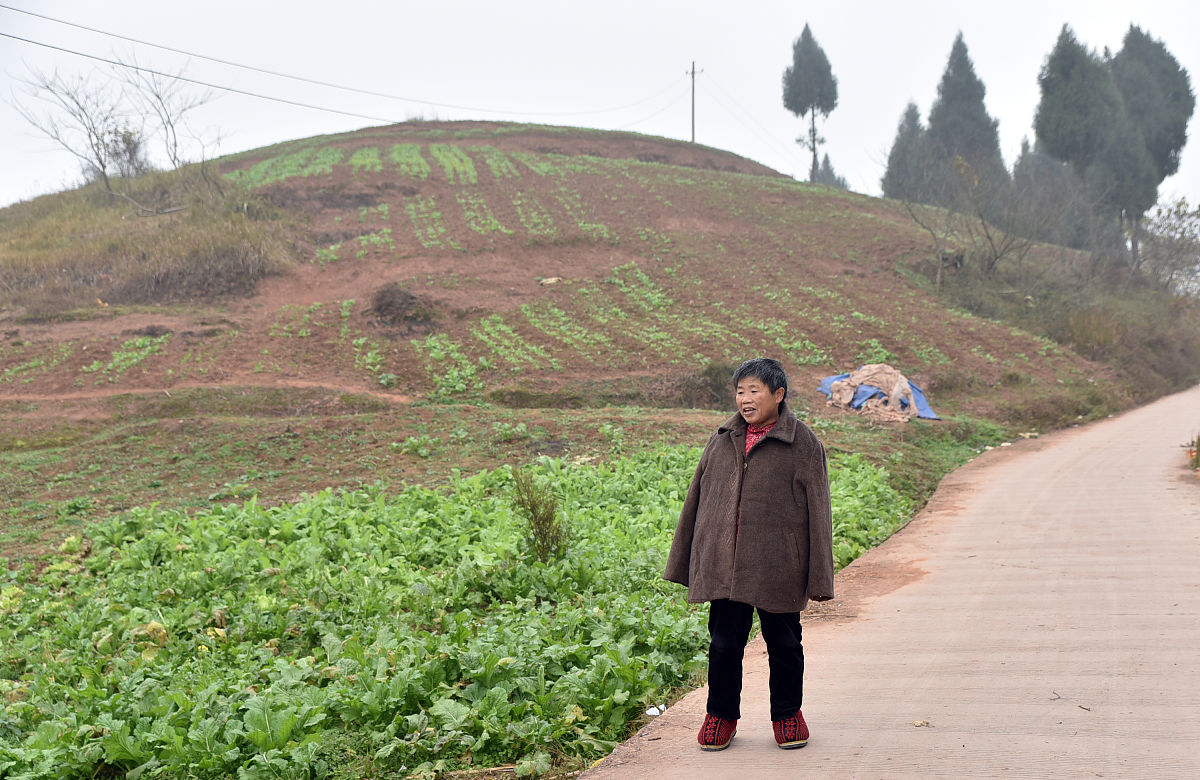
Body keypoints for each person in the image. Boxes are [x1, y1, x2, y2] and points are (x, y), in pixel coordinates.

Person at [664, 357, 834, 751]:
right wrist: (686, 558)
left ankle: (788, 715)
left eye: (754, 390)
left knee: (785, 644)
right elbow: (697, 500)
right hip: (725, 564)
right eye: (740, 391)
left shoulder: (803, 443)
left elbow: (820, 513)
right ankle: (721, 716)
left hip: (778, 565)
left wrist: (820, 578)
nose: (745, 399)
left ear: (778, 394)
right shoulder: (723, 437)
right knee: (724, 644)